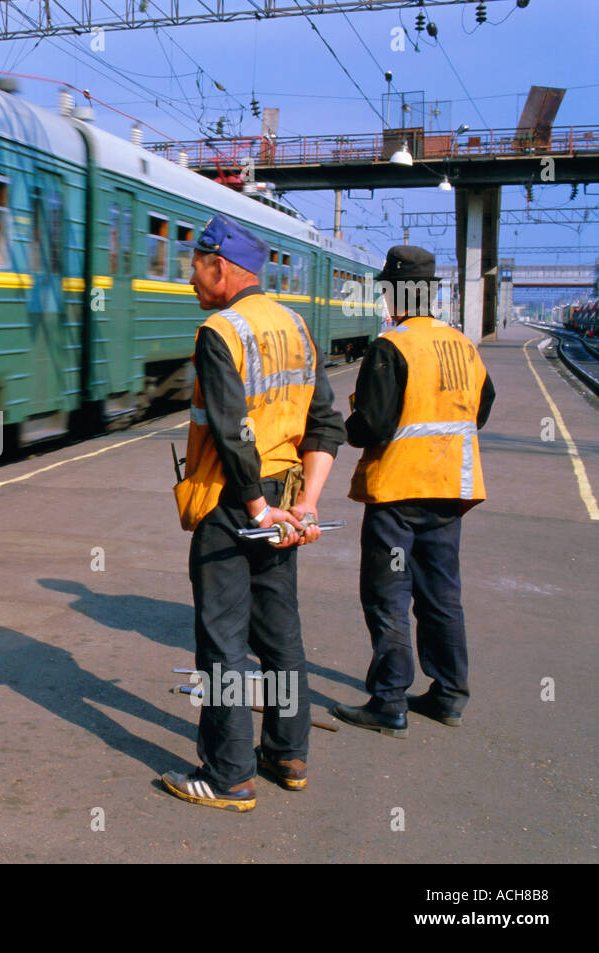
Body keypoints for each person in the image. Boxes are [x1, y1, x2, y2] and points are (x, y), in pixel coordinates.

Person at [162, 214, 346, 812]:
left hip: (234, 503)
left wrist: (258, 508)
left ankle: (228, 776)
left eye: (195, 265)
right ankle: (288, 755)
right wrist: (305, 504)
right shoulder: (296, 325)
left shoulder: (220, 330)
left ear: (219, 266)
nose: (191, 277)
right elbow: (325, 424)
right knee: (279, 633)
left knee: (222, 642)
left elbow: (233, 431)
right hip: (285, 500)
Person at [333, 246, 494, 736]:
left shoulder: (392, 346)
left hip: (398, 492)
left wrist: (345, 427)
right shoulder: (462, 344)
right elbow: (482, 407)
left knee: (388, 597)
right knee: (441, 595)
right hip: (450, 490)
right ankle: (448, 695)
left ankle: (389, 701)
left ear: (395, 292)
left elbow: (373, 425)